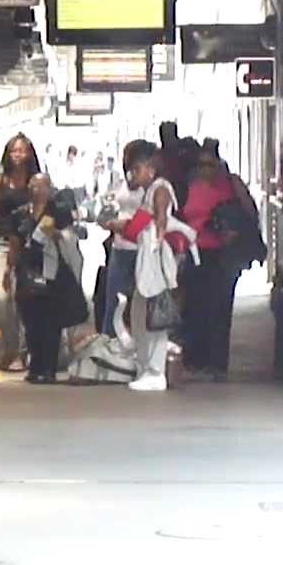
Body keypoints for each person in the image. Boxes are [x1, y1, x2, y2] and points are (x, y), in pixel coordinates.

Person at [180, 146, 259, 381]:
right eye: (201, 165)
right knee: (195, 307)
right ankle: (196, 359)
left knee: (220, 307)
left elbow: (249, 213)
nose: (206, 170)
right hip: (195, 252)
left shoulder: (230, 186)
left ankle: (217, 362)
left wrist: (235, 230)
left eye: (210, 164)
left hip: (223, 254)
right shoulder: (189, 187)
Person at [11, 175, 87, 384]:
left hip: (52, 272)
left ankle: (49, 368)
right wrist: (10, 269)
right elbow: (15, 243)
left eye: (41, 186)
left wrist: (55, 234)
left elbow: (69, 237)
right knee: (30, 320)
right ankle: (35, 366)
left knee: (50, 322)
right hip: (27, 271)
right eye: (33, 186)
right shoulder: (20, 214)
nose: (37, 190)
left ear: (49, 188)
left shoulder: (59, 211)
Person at [126, 142, 179, 391]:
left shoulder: (160, 188)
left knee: (155, 313)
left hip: (155, 257)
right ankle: (145, 365)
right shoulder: (148, 191)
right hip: (147, 256)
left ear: (150, 167)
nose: (133, 175)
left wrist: (156, 244)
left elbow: (161, 218)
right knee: (140, 312)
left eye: (136, 169)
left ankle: (156, 371)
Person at [0, 134, 42, 372]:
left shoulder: (36, 181)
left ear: (30, 153)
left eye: (22, 150)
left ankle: (23, 351)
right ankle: (10, 348)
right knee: (1, 300)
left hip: (27, 246)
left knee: (23, 299)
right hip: (0, 244)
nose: (18, 155)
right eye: (14, 151)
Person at [97, 140, 148, 338]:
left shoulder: (152, 186)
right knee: (114, 299)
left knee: (140, 303)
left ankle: (137, 343)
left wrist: (121, 226)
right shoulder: (121, 183)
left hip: (141, 248)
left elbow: (146, 218)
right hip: (119, 247)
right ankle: (109, 341)